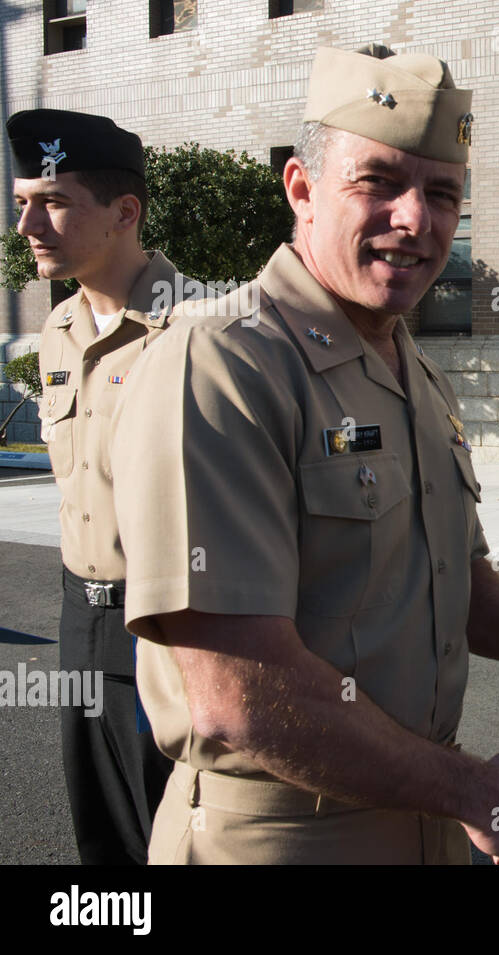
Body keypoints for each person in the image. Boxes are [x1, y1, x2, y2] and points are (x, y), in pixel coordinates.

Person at [109, 43, 499, 865]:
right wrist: (472, 789)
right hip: (282, 837)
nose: (416, 219)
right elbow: (242, 696)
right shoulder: (222, 365)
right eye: (377, 182)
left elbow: (448, 571)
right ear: (301, 191)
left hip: (427, 817)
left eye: (443, 193)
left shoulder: (414, 368)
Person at [8, 108, 186, 865]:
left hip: (172, 618)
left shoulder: (197, 331)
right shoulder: (58, 330)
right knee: (103, 834)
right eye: (20, 201)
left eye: (51, 200)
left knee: (180, 830)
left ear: (124, 212)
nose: (27, 224)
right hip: (80, 610)